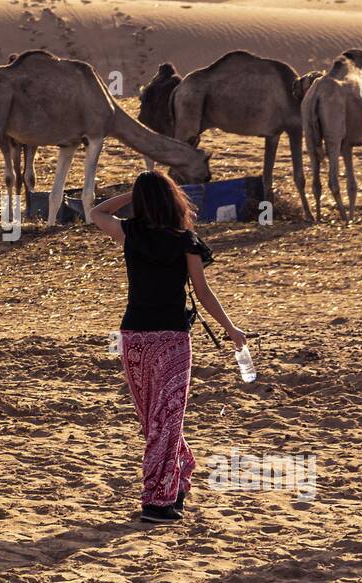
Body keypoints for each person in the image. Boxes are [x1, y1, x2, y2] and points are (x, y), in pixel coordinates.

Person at [91, 171, 247, 523]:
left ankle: (175, 479)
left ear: (143, 201)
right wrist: (230, 328)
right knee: (165, 419)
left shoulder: (131, 233)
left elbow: (96, 213)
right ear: (173, 200)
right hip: (172, 338)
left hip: (134, 338)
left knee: (156, 421)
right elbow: (203, 292)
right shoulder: (186, 241)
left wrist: (130, 195)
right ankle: (157, 500)